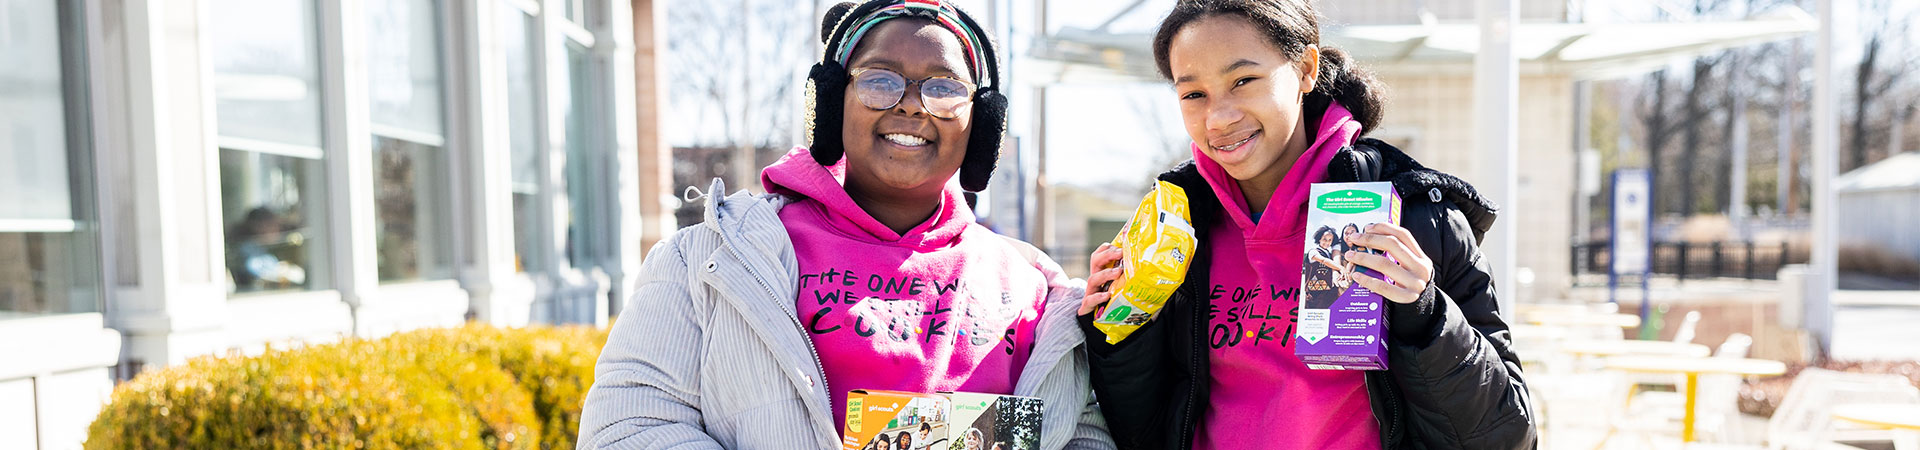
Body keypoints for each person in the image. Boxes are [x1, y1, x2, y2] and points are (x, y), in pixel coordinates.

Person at [576, 1, 1113, 449]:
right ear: (831, 102)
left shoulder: (1038, 292)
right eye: (880, 80)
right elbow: (628, 429)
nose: (911, 107)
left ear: (983, 122)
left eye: (944, 89)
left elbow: (1085, 437)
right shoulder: (711, 261)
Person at [1075, 1, 1535, 449]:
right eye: (1194, 93)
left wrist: (1426, 315)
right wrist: (1123, 328)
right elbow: (1141, 431)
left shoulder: (1417, 218)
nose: (1219, 116)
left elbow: (1508, 437)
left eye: (1243, 80)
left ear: (1305, 70)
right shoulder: (1174, 233)